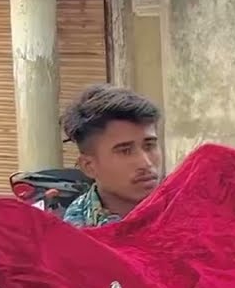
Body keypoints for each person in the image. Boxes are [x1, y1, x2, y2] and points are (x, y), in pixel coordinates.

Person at [60, 84, 163, 228]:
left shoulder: (190, 213)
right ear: (89, 166)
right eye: (125, 151)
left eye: (149, 146)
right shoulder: (75, 236)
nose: (145, 163)